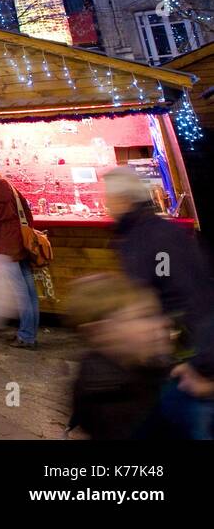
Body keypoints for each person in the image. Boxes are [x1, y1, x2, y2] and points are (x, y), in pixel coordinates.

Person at [104, 166, 214, 439]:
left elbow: (190, 296)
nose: (105, 204)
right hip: (167, 360)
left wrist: (202, 365)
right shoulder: (139, 234)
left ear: (125, 200)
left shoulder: (154, 237)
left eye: (108, 198)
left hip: (182, 363)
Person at [66, 273, 175, 439]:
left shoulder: (137, 369)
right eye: (144, 316)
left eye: (156, 315)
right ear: (101, 331)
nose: (162, 323)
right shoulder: (111, 396)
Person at [0, 160, 39, 349]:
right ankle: (31, 333)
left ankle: (26, 336)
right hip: (21, 243)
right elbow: (27, 211)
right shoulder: (9, 186)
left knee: (21, 294)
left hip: (5, 247)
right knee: (30, 291)